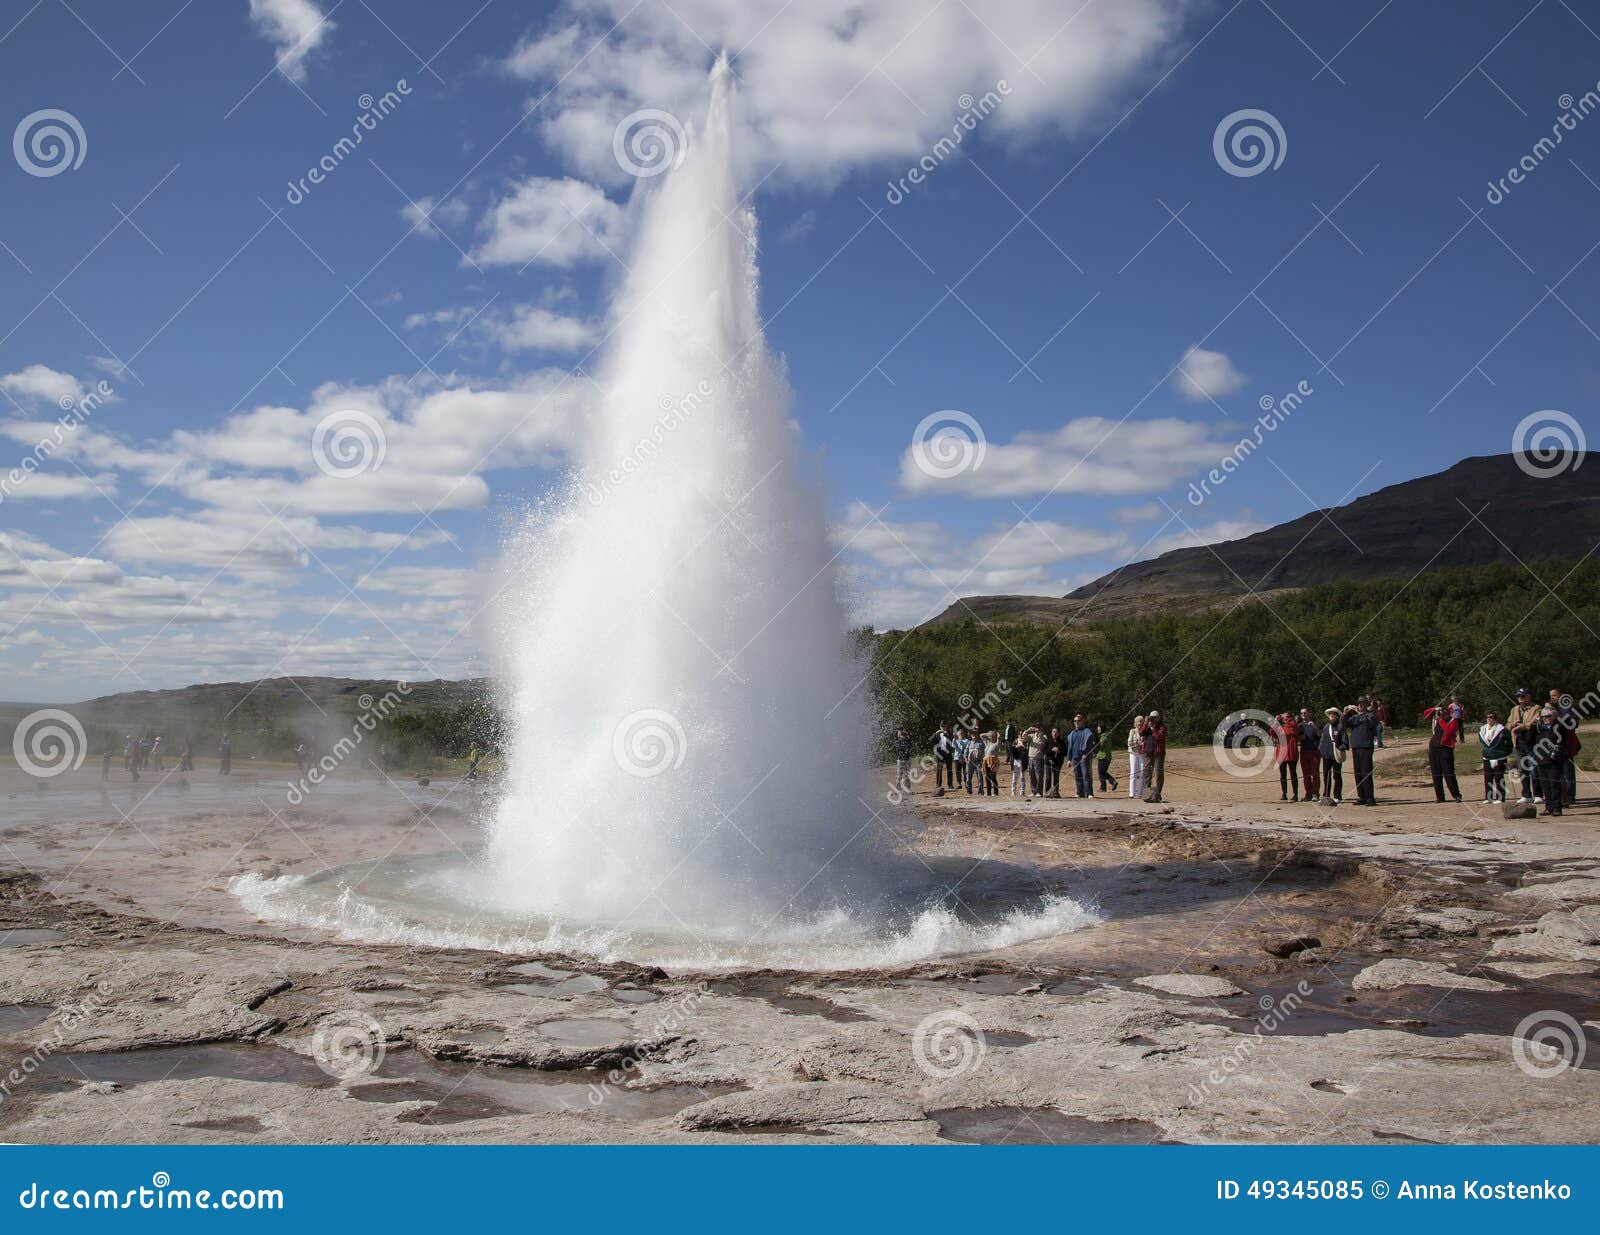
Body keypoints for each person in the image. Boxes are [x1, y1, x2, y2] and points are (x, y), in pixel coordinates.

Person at [1531, 705, 1569, 816]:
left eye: (1547, 716)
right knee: (1545, 785)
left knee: (1554, 784)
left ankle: (1557, 807)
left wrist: (1557, 751)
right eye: (1543, 716)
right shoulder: (1539, 728)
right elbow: (1529, 740)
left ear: (1554, 716)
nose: (1545, 718)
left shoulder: (1559, 727)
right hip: (1540, 759)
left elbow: (1563, 741)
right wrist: (1532, 726)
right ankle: (1549, 807)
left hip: (1554, 760)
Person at [1423, 702, 1463, 803]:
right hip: (1434, 747)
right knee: (1436, 773)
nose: (1442, 714)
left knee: (1449, 773)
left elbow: (1448, 732)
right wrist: (1435, 709)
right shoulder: (1435, 719)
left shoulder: (1453, 721)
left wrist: (1441, 721)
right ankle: (1440, 796)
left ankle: (1456, 795)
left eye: (1444, 712)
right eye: (1441, 712)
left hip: (1446, 748)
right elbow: (1426, 713)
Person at [1508, 687, 1541, 803]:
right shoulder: (1514, 709)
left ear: (1528, 696)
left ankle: (1538, 794)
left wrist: (1523, 726)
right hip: (1518, 741)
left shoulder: (1536, 708)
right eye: (1518, 696)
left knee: (1534, 768)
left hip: (1532, 741)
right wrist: (1512, 725)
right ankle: (1526, 795)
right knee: (1522, 769)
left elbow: (1534, 722)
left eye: (1522, 696)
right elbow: (1508, 724)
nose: (1520, 698)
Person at [1550, 688, 1581, 805]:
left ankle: (1570, 796)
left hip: (1566, 743)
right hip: (1554, 743)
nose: (1552, 697)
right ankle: (1562, 797)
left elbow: (1574, 723)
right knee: (1558, 773)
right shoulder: (1553, 708)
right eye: (1551, 696)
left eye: (1554, 695)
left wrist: (1559, 718)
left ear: (1560, 695)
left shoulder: (1567, 707)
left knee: (1568, 771)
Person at [1345, 697, 1379, 806]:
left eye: (1362, 704)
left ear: (1366, 705)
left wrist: (1361, 714)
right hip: (1356, 746)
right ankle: (1362, 796)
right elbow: (1344, 724)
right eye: (1359, 704)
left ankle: (1370, 798)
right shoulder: (1354, 717)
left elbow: (1370, 723)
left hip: (1366, 746)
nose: (1360, 706)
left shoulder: (1371, 715)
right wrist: (1345, 714)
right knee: (1358, 773)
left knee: (1366, 772)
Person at [1478, 709, 1511, 803]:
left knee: (1499, 778)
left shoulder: (1502, 729)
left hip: (1499, 757)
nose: (1489, 719)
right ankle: (1488, 797)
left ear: (1495, 718)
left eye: (1491, 717)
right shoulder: (1482, 729)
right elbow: (1482, 742)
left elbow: (1509, 742)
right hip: (1487, 757)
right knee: (1488, 778)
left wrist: (1505, 752)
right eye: (1487, 717)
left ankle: (1500, 797)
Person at [1318, 707, 1346, 804]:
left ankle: (1337, 795)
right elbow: (1322, 740)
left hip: (1336, 754)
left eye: (1333, 714)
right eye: (1330, 715)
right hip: (1326, 754)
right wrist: (1320, 750)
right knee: (1326, 776)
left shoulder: (1340, 727)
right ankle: (1326, 795)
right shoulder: (1326, 727)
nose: (1331, 716)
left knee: (1337, 775)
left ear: (1337, 716)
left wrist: (1342, 746)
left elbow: (1344, 740)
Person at [1297, 707, 1322, 803]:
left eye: (1305, 713)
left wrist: (1315, 727)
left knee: (1315, 773)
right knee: (1306, 774)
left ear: (1309, 713)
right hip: (1304, 751)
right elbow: (1297, 737)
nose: (1303, 714)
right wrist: (1300, 737)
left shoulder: (1316, 723)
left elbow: (1321, 735)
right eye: (1301, 713)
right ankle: (1308, 794)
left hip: (1314, 751)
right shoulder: (1300, 726)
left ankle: (1315, 794)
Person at [1273, 712, 1300, 802]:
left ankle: (1295, 794)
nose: (1284, 718)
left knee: (1293, 774)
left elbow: (1294, 728)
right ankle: (1284, 793)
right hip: (1282, 753)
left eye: (1286, 716)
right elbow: (1272, 732)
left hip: (1291, 752)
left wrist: (1286, 719)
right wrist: (1275, 722)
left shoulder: (1293, 725)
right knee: (1283, 775)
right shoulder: (1280, 727)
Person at [1067, 714, 1095, 798]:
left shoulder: (1086, 731)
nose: (1076, 722)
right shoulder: (1072, 733)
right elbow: (1070, 747)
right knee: (1077, 776)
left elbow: (1090, 742)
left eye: (1078, 721)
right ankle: (1080, 792)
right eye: (1075, 721)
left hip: (1084, 757)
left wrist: (1086, 753)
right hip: (1075, 757)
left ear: (1082, 721)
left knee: (1086, 775)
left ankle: (1089, 793)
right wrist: (1069, 759)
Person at [1142, 710, 1167, 802]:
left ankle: (1157, 794)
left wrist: (1153, 729)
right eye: (1151, 717)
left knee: (1158, 774)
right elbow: (1141, 732)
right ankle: (1147, 795)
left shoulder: (1162, 727)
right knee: (1147, 773)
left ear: (1158, 718)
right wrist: (1145, 724)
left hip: (1158, 753)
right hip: (1149, 752)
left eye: (1154, 717)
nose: (1152, 719)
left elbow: (1159, 736)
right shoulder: (1148, 725)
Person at [929, 723, 954, 792]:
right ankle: (938, 785)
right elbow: (930, 740)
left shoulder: (950, 733)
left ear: (946, 726)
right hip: (940, 754)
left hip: (948, 753)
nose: (943, 727)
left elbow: (952, 739)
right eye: (942, 726)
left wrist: (947, 734)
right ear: (940, 727)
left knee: (949, 769)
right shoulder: (937, 734)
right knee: (939, 769)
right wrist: (935, 733)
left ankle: (950, 785)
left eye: (944, 726)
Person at [1127, 716, 1147, 800]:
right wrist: (1138, 743)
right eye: (1138, 722)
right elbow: (1129, 743)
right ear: (1135, 723)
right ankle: (1131, 793)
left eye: (1141, 722)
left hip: (1142, 753)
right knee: (1133, 772)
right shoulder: (1132, 731)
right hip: (1133, 753)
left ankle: (1140, 793)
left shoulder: (1145, 731)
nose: (1139, 724)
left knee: (1142, 772)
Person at [1026, 724, 1049, 798]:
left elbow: (1043, 743)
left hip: (1039, 759)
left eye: (1039, 727)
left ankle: (1039, 792)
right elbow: (1024, 737)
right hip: (1031, 758)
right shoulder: (1032, 736)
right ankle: (1034, 791)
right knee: (1032, 776)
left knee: (1039, 776)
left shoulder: (1044, 736)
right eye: (1036, 727)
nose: (1037, 729)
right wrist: (1028, 730)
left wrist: (1040, 734)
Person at [1095, 722, 1118, 794]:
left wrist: (1095, 745)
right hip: (1107, 756)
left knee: (1101, 773)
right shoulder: (1106, 736)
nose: (1098, 729)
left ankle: (1103, 787)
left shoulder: (1104, 737)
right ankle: (1112, 782)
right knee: (1103, 772)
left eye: (1099, 728)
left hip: (1103, 757)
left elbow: (1100, 746)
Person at [892, 727, 913, 796]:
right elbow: (900, 748)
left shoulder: (908, 741)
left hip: (907, 760)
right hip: (900, 760)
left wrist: (907, 735)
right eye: (901, 735)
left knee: (907, 776)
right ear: (898, 735)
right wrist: (900, 733)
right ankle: (897, 790)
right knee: (899, 776)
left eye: (904, 735)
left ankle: (908, 789)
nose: (903, 736)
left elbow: (910, 744)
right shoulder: (897, 742)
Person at [1045, 726, 1065, 798]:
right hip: (1049, 762)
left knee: (1056, 778)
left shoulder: (1062, 742)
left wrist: (1059, 751)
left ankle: (1056, 793)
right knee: (1048, 778)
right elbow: (1045, 751)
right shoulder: (1048, 741)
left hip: (1058, 763)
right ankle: (1047, 792)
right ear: (1051, 733)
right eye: (1053, 732)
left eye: (1056, 732)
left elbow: (1065, 752)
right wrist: (1052, 750)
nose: (1054, 734)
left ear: (1058, 733)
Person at [965, 730, 985, 795]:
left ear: (977, 735)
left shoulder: (981, 743)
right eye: (972, 734)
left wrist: (982, 760)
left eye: (975, 734)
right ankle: (969, 790)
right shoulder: (969, 743)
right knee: (968, 777)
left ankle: (980, 791)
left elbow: (984, 752)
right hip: (970, 762)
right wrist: (966, 760)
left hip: (978, 762)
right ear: (971, 735)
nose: (974, 735)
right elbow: (966, 752)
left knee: (980, 777)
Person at [1009, 730, 1027, 798]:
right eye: (1020, 734)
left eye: (1022, 734)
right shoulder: (1015, 741)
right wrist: (1016, 746)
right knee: (1014, 777)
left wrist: (1023, 746)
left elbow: (1027, 751)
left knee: (1022, 777)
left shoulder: (1025, 742)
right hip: (1016, 760)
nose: (1021, 735)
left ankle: (1022, 792)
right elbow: (1011, 750)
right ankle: (1013, 791)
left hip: (1023, 760)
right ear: (1018, 735)